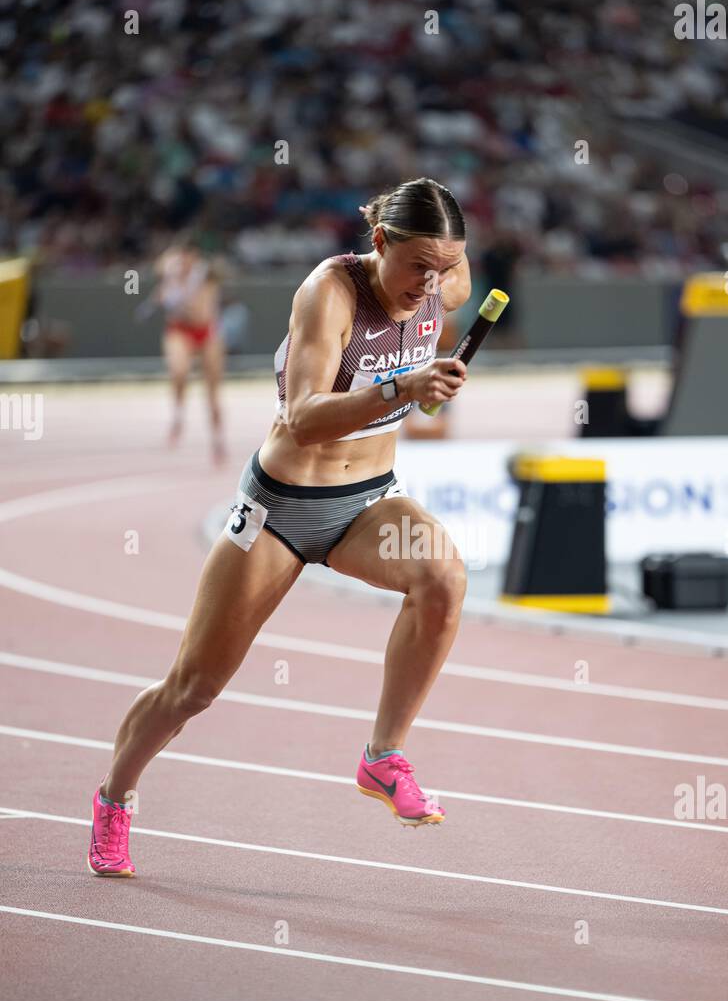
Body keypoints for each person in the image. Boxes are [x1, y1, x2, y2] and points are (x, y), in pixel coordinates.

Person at [88, 178, 473, 876]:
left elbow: (450, 294)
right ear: (381, 242)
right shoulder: (329, 292)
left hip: (369, 503)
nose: (432, 283)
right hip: (280, 510)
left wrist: (439, 379)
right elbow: (301, 417)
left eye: (445, 267)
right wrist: (401, 388)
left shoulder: (444, 276)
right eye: (417, 265)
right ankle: (116, 797)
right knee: (193, 689)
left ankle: (382, 756)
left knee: (444, 577)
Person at [155, 241, 227, 464]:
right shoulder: (171, 273)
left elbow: (201, 312)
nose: (183, 262)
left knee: (212, 391)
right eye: (180, 258)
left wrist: (182, 299)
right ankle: (178, 415)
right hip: (179, 331)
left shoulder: (206, 276)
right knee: (179, 371)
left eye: (187, 257)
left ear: (195, 258)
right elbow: (157, 267)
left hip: (205, 332)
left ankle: (218, 439)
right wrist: (169, 270)